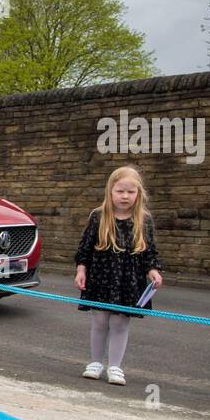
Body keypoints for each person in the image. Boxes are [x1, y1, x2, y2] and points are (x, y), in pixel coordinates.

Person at [73, 165, 163, 386]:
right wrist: (81, 270)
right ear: (110, 191)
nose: (125, 196)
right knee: (100, 320)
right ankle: (95, 363)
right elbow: (85, 248)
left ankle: (115, 366)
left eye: (130, 192)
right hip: (101, 277)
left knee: (121, 323)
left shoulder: (144, 219)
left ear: (138, 194)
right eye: (120, 191)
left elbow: (149, 251)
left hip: (128, 280)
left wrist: (153, 270)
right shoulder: (98, 216)